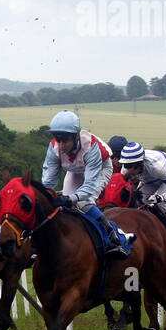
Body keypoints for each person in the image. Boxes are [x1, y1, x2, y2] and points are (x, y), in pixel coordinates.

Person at [40, 110, 127, 259]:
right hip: (75, 170)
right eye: (58, 139)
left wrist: (70, 198)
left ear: (76, 136)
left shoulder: (91, 146)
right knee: (66, 205)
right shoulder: (53, 148)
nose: (61, 145)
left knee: (84, 201)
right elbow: (48, 181)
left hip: (100, 168)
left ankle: (113, 237)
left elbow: (89, 186)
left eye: (65, 140)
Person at [119, 142, 166, 249]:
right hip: (149, 180)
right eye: (126, 165)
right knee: (138, 201)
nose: (127, 170)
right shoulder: (126, 169)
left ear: (140, 163)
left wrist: (161, 198)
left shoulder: (157, 166)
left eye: (130, 166)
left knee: (161, 204)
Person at [99, 135, 135, 207]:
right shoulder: (103, 164)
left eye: (119, 157)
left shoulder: (130, 166)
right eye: (113, 157)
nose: (117, 160)